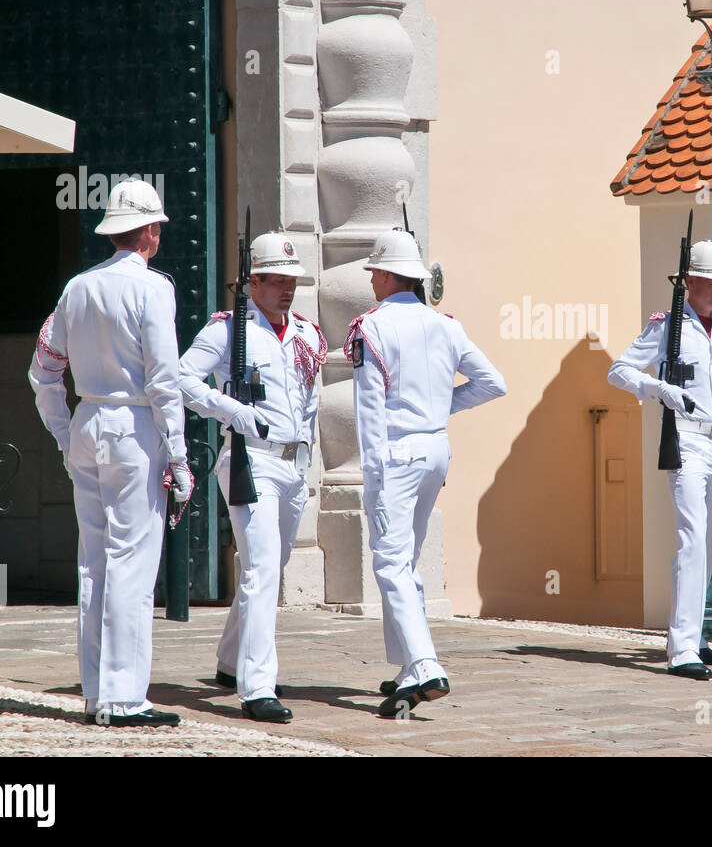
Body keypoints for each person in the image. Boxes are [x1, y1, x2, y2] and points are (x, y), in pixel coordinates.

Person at [28, 179, 191, 728]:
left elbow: (43, 369)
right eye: (159, 227)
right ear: (148, 230)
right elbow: (165, 380)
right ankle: (124, 697)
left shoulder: (77, 288)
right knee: (131, 562)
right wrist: (179, 454)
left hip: (87, 420)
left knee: (94, 562)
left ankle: (99, 691)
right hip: (134, 425)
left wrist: (61, 431)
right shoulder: (154, 289)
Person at [346, 228, 506, 718]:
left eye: (374, 269)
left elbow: (369, 410)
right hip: (436, 449)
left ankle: (426, 664)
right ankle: (406, 669)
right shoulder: (446, 326)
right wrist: (438, 410)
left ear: (392, 274)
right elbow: (492, 384)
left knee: (390, 563)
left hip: (394, 454)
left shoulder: (370, 326)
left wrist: (372, 474)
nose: (370, 277)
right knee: (406, 562)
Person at [178, 232, 325, 723]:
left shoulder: (306, 335)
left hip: (292, 464)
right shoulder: (227, 330)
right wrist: (232, 411)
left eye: (293, 281)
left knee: (270, 568)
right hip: (251, 460)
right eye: (277, 280)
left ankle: (228, 660)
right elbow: (180, 379)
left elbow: (310, 402)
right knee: (262, 570)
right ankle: (256, 686)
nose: (288, 289)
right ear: (252, 282)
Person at [607, 240, 712, 680]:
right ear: (689, 283)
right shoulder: (668, 328)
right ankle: (684, 649)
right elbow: (619, 370)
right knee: (692, 538)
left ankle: (693, 632)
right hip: (686, 442)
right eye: (709, 282)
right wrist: (658, 389)